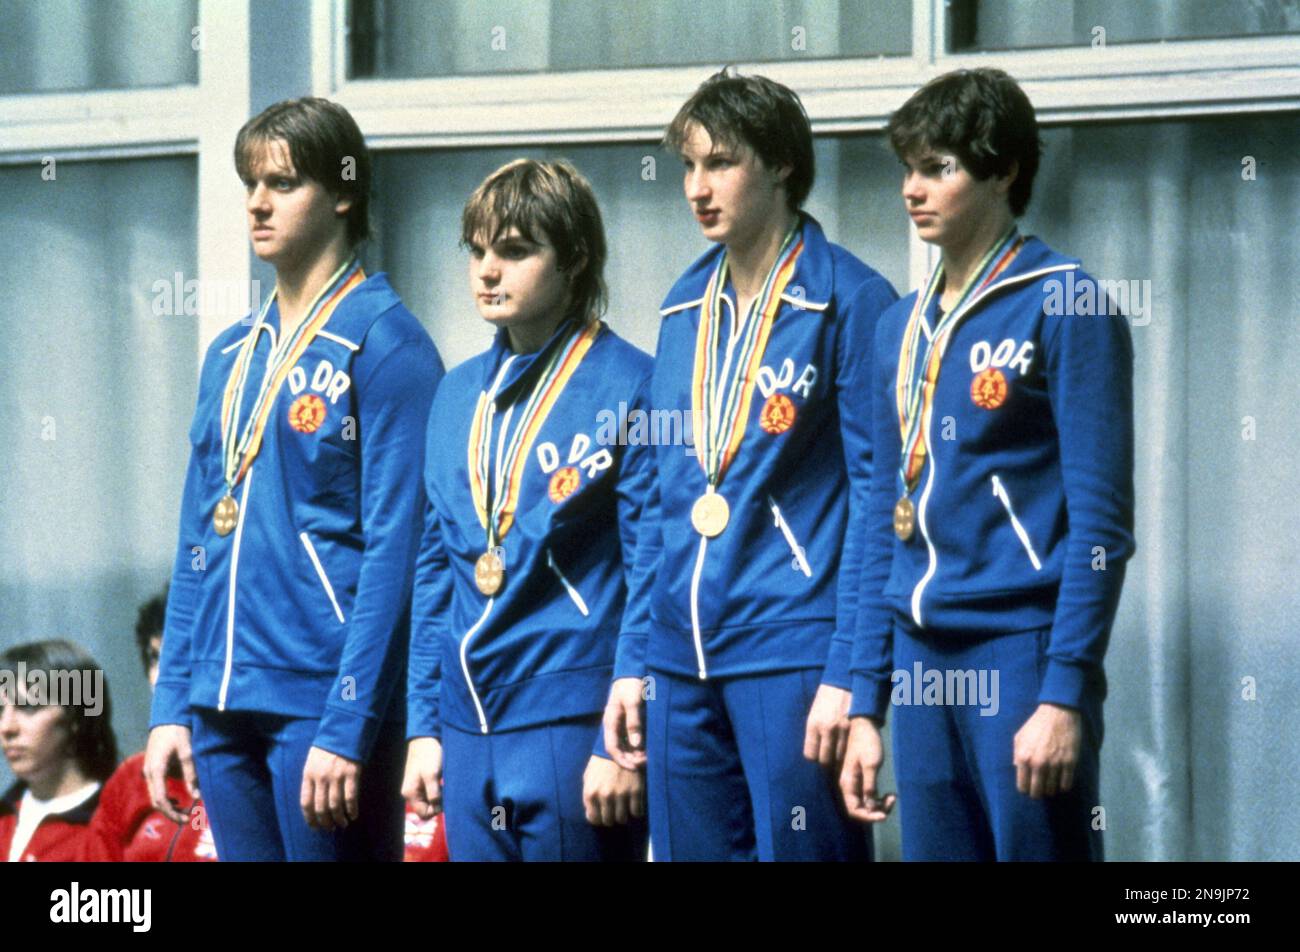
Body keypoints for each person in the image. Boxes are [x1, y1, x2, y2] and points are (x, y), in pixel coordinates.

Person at [603, 69, 899, 861]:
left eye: (721, 163)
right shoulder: (680, 307)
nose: (698, 188)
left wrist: (855, 674)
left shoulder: (852, 301)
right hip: (678, 655)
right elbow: (660, 504)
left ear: (779, 166)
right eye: (689, 167)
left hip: (792, 647)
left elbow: (879, 503)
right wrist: (634, 662)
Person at [841, 68, 1136, 860]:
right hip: (919, 659)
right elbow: (880, 518)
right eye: (908, 166)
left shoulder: (1064, 302)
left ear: (1003, 170)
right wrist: (865, 701)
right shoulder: (898, 328)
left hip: (1021, 649)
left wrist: (1064, 693)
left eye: (939, 168)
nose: (913, 188)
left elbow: (1103, 525)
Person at [145, 97, 444, 861]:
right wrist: (171, 705)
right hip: (219, 702)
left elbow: (396, 555)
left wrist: (349, 723)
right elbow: (195, 539)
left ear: (343, 192)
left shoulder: (387, 345)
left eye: (281, 183)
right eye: (250, 183)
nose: (256, 202)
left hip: (319, 699)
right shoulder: (231, 353)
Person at [403, 158, 651, 861]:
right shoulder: (454, 397)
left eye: (515, 251)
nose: (488, 271)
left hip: (572, 721)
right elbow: (433, 575)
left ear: (573, 259)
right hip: (466, 726)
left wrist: (620, 743)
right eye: (478, 251)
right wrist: (423, 726)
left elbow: (652, 573)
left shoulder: (633, 384)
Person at [82, 589, 218, 861]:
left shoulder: (263, 772)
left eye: (183, 659)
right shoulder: (131, 780)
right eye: (156, 659)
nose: (164, 678)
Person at [0, 640, 118, 862]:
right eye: (0, 710)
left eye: (28, 707)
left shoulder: (111, 825)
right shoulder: (4, 816)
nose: (6, 727)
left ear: (76, 716)